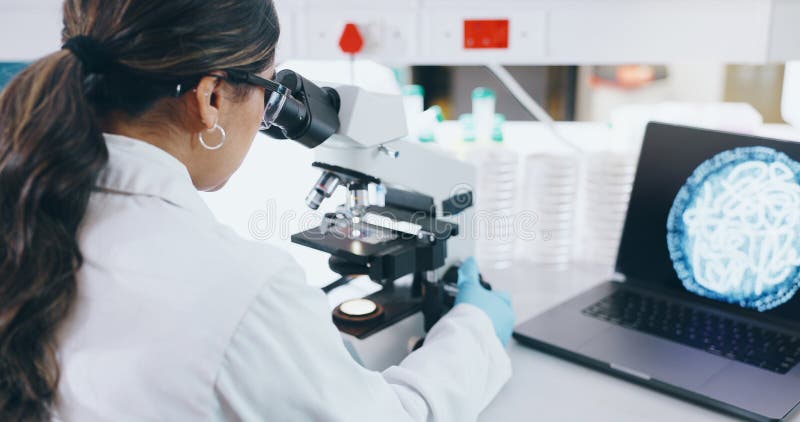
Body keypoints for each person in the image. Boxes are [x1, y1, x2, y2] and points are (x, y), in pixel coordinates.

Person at [0, 1, 515, 421]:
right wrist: (474, 332)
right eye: (270, 95)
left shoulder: (28, 203)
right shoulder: (241, 292)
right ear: (212, 98)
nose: (267, 116)